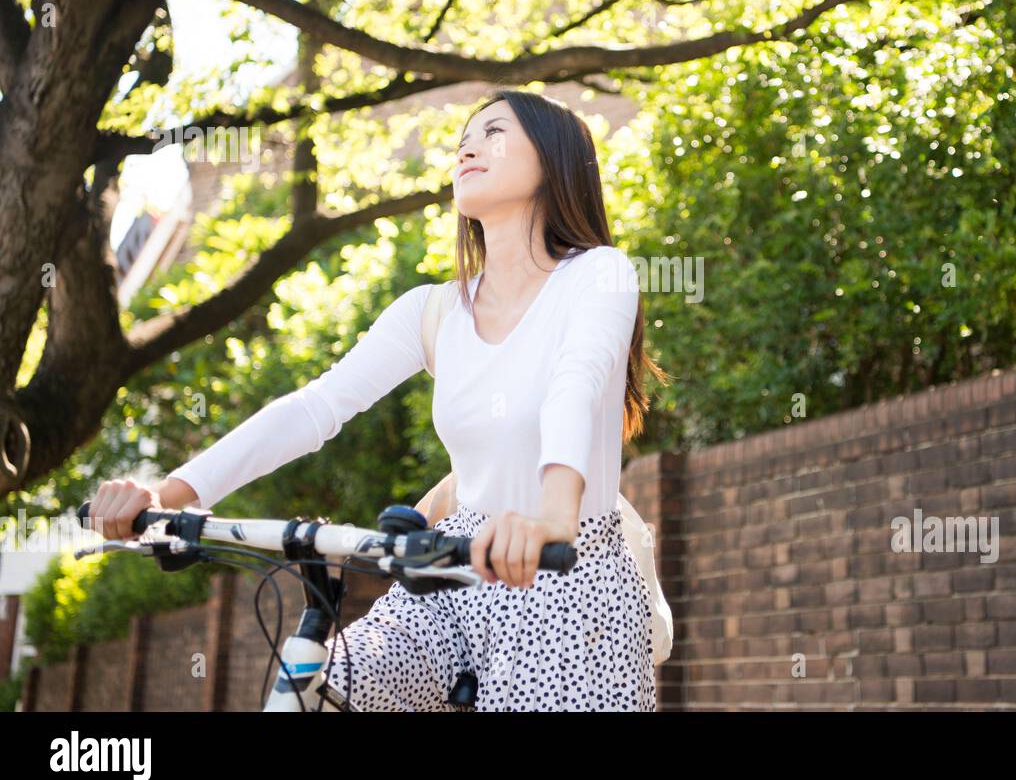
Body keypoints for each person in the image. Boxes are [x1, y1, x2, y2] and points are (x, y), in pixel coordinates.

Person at [87, 88, 669, 711]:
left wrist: (551, 520)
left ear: (555, 159)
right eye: (463, 139)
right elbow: (314, 407)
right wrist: (169, 495)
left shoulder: (598, 275)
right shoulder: (433, 311)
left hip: (566, 574)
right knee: (322, 685)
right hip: (452, 567)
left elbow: (573, 389)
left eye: (494, 131)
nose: (468, 147)